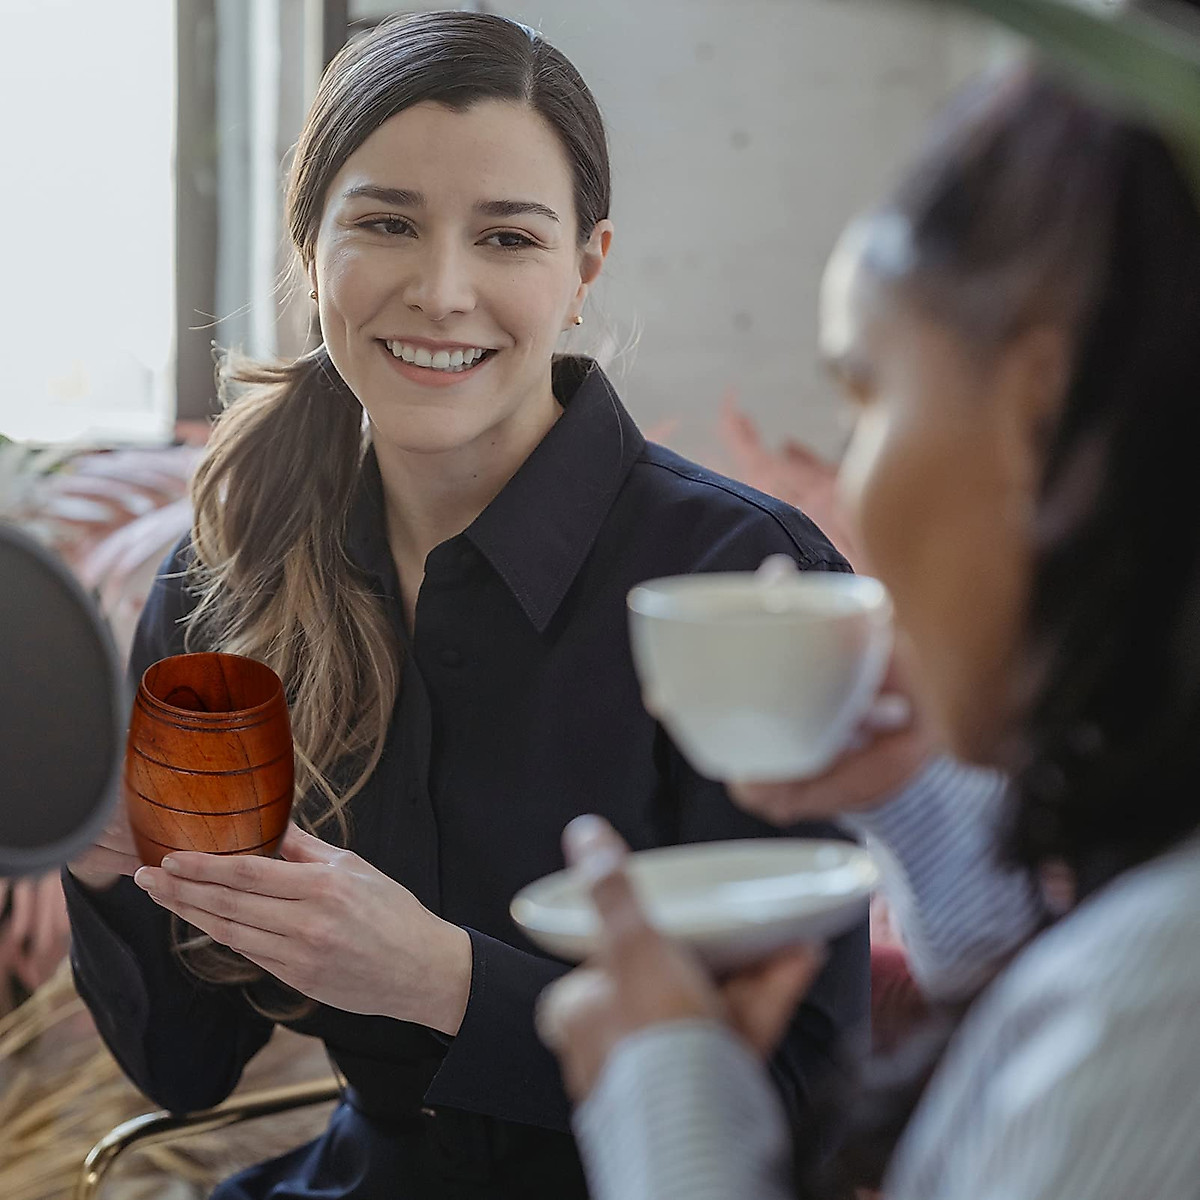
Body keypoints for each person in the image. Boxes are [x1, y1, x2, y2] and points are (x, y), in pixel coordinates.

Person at [60, 12, 875, 1199]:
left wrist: (442, 977)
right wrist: (96, 855)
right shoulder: (219, 581)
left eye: (507, 237)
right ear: (311, 248)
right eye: (386, 224)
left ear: (585, 268)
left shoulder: (749, 583)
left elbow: (809, 1093)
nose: (443, 291)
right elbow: (185, 1066)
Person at [539, 61, 1200, 1200]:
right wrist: (923, 781)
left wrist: (668, 1100)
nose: (848, 475)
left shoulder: (1157, 1013)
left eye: (866, 392)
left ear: (1034, 410)